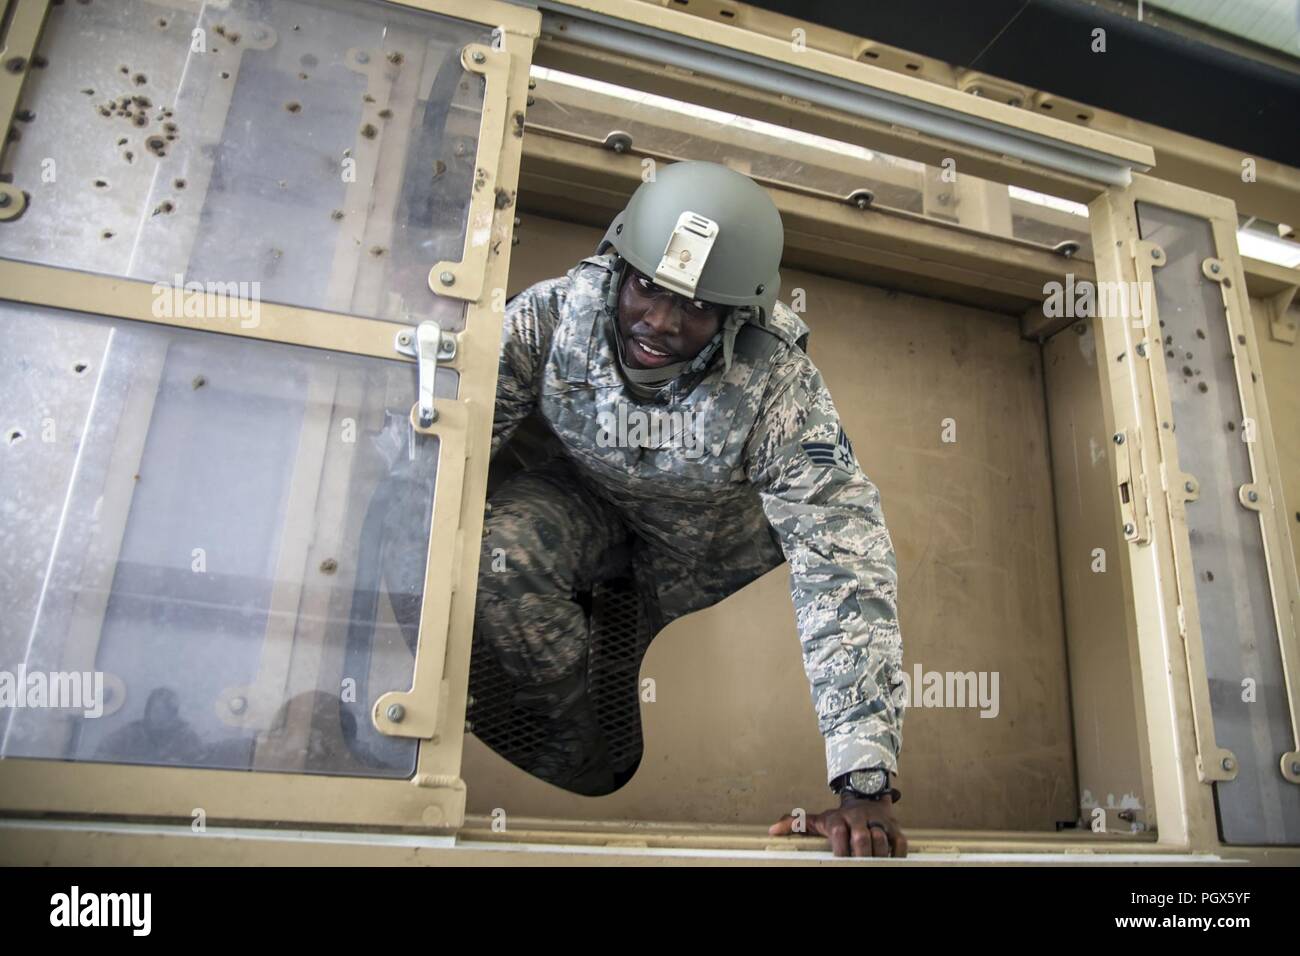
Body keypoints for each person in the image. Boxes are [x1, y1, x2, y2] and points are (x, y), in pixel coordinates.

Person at [474, 161, 908, 857]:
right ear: (620, 263)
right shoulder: (551, 317)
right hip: (584, 500)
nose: (661, 322)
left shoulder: (777, 386)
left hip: (706, 554)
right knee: (500, 556)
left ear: (737, 313)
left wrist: (865, 782)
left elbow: (843, 558)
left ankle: (625, 642)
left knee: (704, 686)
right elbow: (446, 454)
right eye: (648, 286)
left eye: (697, 308)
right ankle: (572, 742)